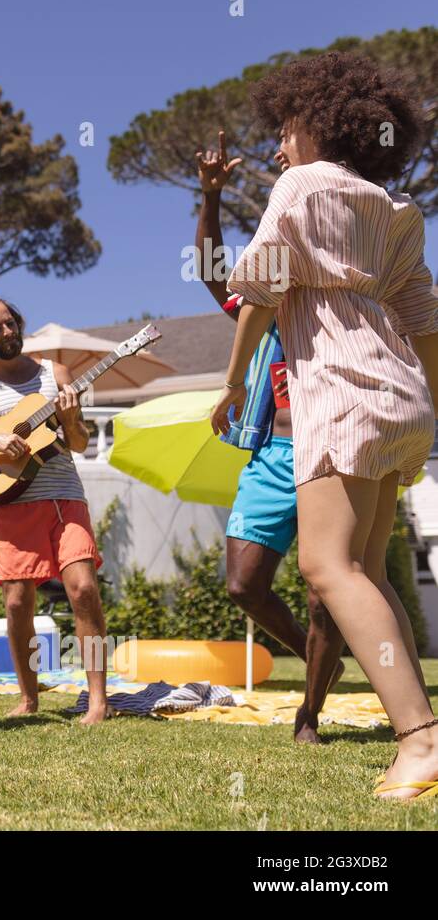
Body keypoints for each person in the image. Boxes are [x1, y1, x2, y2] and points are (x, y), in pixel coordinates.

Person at [210, 51, 438, 799]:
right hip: (400, 397)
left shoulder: (301, 186)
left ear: (316, 124)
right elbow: (425, 324)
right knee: (365, 571)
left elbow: (261, 293)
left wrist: (234, 380)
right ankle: (423, 726)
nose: (277, 147)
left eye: (283, 129)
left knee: (324, 566)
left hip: (340, 391)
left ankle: (420, 740)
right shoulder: (397, 209)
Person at [193, 129, 345, 743]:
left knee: (321, 589)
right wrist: (210, 198)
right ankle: (323, 664)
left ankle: (309, 711)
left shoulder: (337, 299)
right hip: (272, 455)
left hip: (329, 451)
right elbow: (210, 272)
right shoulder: (269, 302)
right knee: (244, 585)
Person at [0, 295, 111, 724]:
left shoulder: (56, 374)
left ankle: (99, 700)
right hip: (13, 504)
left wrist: (70, 419)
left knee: (84, 590)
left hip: (64, 496)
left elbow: (80, 443)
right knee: (17, 604)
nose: (8, 332)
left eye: (11, 323)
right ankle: (29, 698)